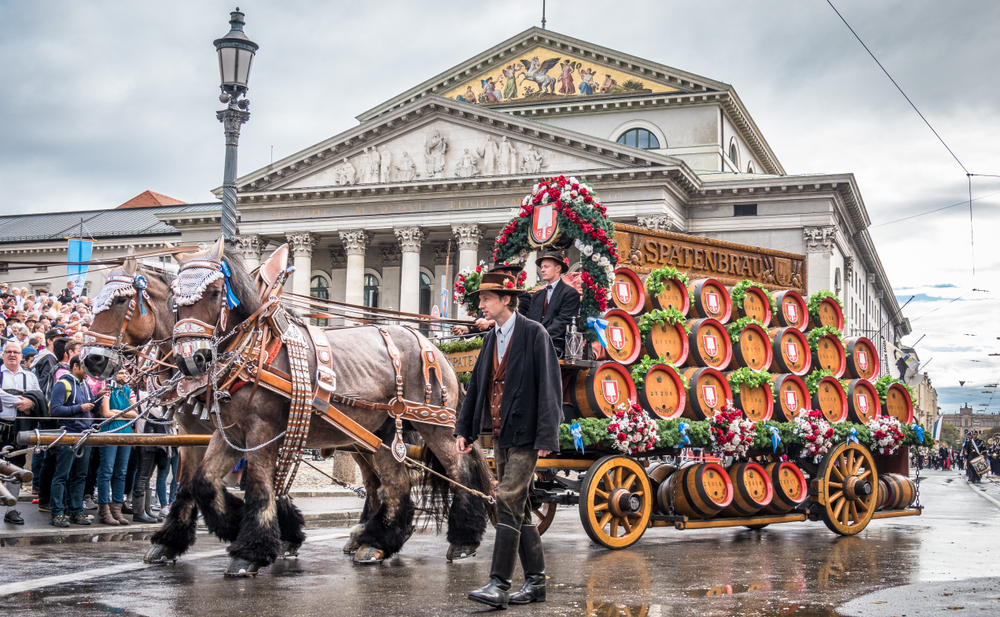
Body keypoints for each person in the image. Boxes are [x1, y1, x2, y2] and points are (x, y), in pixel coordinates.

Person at [454, 270, 562, 608]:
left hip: (528, 434)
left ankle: (498, 584)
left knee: (506, 498)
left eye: (486, 299)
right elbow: (477, 390)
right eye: (481, 299)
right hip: (501, 435)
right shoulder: (489, 341)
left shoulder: (534, 333)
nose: (481, 305)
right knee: (521, 506)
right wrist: (465, 430)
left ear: (506, 300)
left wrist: (547, 434)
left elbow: (550, 387)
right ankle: (536, 583)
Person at [48, 355, 96, 527]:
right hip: (68, 435)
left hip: (84, 435)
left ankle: (76, 511)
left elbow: (93, 406)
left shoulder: (84, 385)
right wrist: (79, 408)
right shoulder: (63, 384)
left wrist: (100, 397)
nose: (89, 372)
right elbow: (55, 410)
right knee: (62, 474)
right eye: (86, 367)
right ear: (75, 366)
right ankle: (57, 513)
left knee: (80, 475)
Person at [0, 341, 43, 525]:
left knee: (17, 468)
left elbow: (39, 395)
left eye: (16, 352)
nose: (12, 355)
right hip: (0, 425)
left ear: (21, 356)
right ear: (3, 355)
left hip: (19, 428)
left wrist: (31, 403)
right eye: (8, 352)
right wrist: (21, 401)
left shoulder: (30, 376)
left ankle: (12, 510)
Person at [519, 251, 580, 358]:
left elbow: (562, 322)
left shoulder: (570, 293)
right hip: (533, 343)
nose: (542, 270)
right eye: (542, 267)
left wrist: (539, 338)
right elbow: (530, 319)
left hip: (555, 345)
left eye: (546, 267)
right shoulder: (537, 295)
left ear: (558, 269)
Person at [96, 370, 137, 526]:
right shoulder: (108, 390)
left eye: (125, 373)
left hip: (125, 433)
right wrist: (125, 413)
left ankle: (117, 508)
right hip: (109, 431)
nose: (124, 375)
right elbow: (106, 413)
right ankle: (104, 508)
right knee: (106, 470)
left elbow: (136, 413)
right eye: (120, 372)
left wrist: (117, 413)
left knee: (121, 471)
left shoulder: (129, 391)